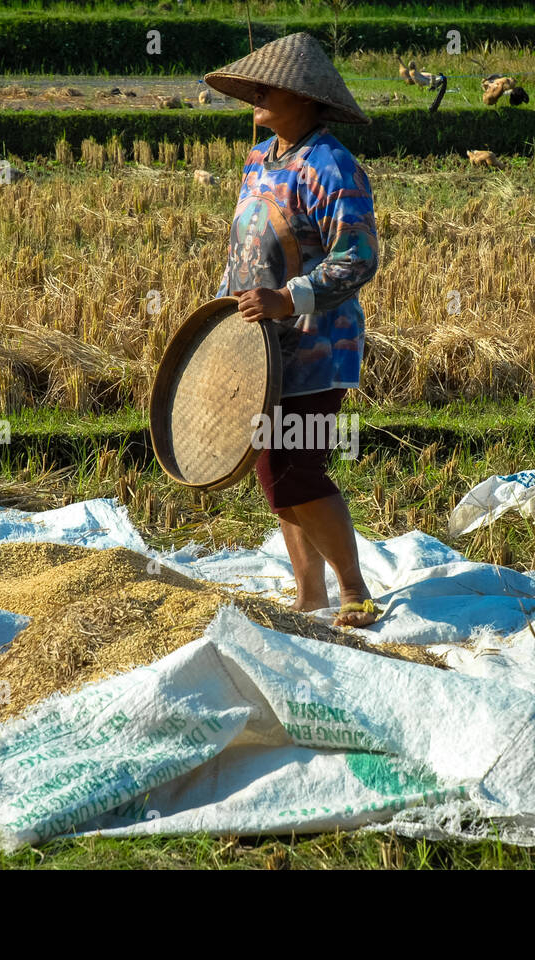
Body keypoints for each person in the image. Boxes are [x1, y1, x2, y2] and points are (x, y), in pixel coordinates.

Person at [204, 32, 380, 628]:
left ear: (304, 98)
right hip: (260, 346)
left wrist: (287, 298)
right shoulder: (260, 159)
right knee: (271, 471)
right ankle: (310, 597)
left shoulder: (331, 166)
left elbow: (358, 258)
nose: (256, 95)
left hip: (313, 343)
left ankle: (353, 588)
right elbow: (246, 248)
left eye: (269, 87)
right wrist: (223, 320)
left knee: (293, 470)